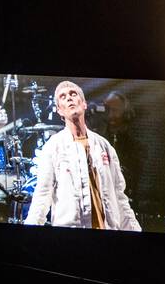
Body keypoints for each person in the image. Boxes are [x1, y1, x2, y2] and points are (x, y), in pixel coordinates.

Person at [25, 81, 141, 231]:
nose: (69, 98)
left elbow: (119, 197)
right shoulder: (53, 147)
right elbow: (42, 197)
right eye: (63, 96)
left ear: (84, 104)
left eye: (74, 94)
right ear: (59, 110)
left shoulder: (104, 146)